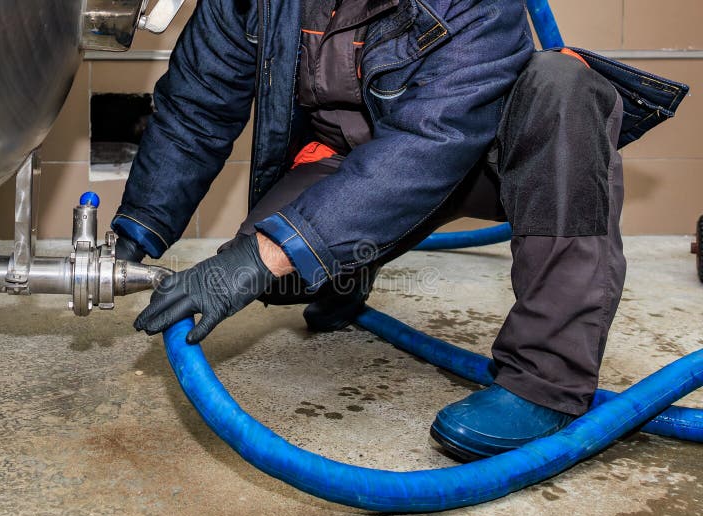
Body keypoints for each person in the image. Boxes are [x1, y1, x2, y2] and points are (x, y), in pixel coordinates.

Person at [108, 0, 665, 461]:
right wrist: (141, 227)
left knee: (563, 86)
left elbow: (431, 144)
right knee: (283, 277)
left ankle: (547, 380)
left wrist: (269, 253)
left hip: (486, 155)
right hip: (353, 156)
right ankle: (348, 267)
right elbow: (195, 109)